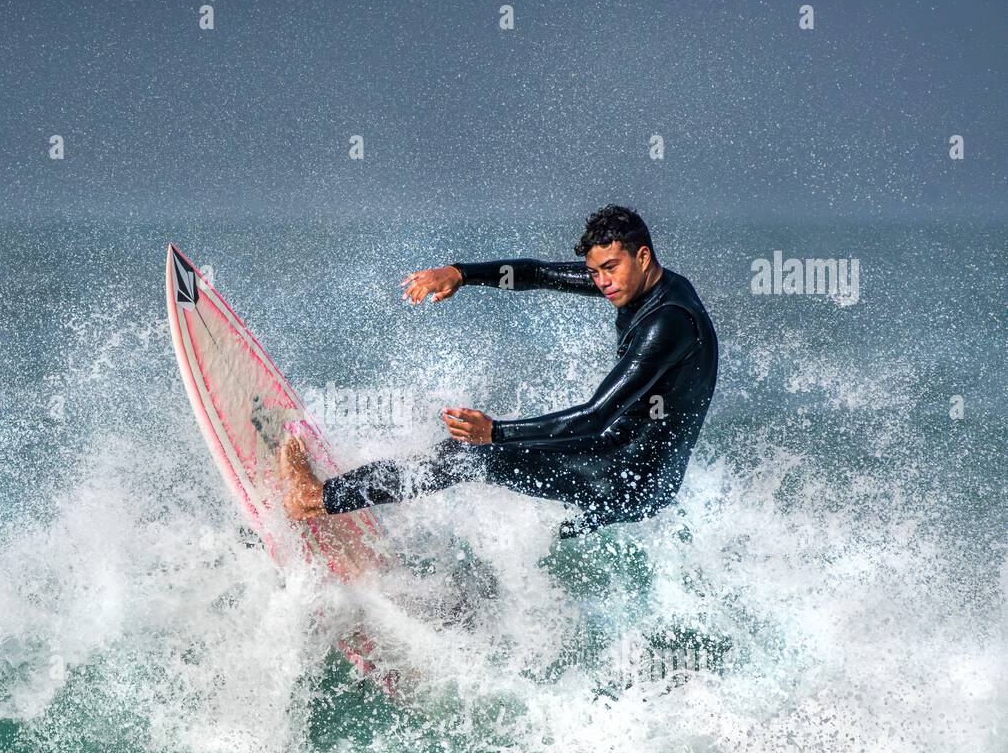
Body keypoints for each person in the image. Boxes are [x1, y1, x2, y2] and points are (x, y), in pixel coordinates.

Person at [279, 205, 718, 537]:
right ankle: (347, 501)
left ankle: (314, 500)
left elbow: (594, 416)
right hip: (626, 466)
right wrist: (461, 273)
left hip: (623, 477)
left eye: (610, 269)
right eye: (595, 272)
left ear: (642, 257)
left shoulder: (669, 323)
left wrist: (497, 433)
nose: (602, 282)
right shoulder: (638, 283)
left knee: (470, 456)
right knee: (470, 459)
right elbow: (538, 273)